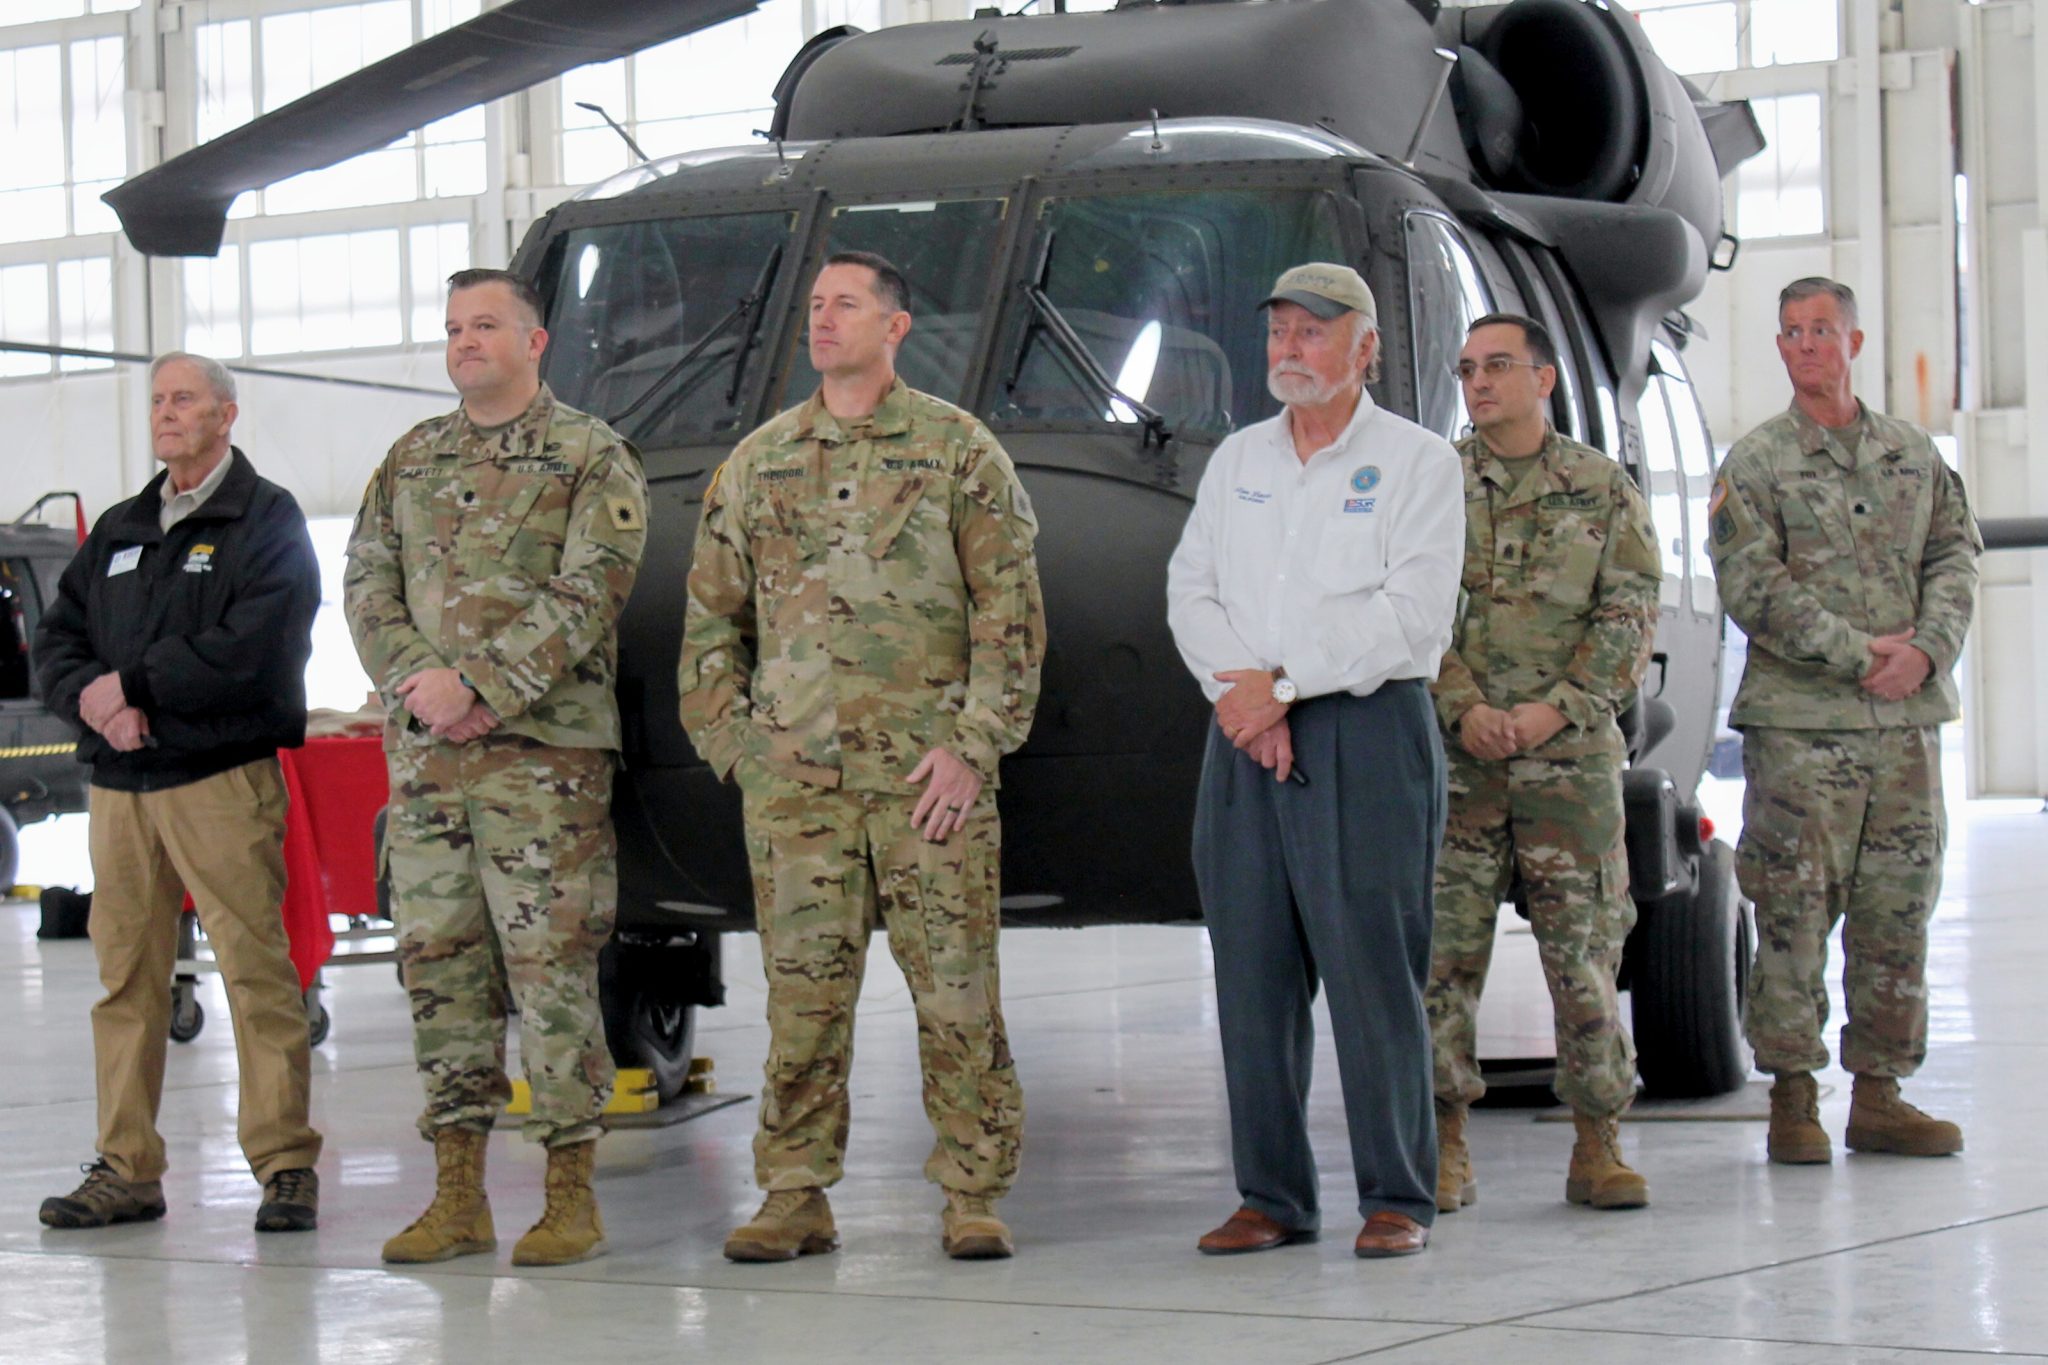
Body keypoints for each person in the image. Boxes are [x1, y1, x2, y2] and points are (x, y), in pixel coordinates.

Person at [679, 250, 1046, 1263]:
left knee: (956, 994)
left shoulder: (956, 451)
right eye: (814, 304)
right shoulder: (758, 462)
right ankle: (794, 1192)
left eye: (845, 304)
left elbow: (1010, 615)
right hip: (796, 789)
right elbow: (710, 622)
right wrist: (739, 752)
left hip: (930, 784)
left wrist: (973, 748)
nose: (823, 318)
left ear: (895, 326)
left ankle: (972, 1190)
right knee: (802, 1000)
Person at [345, 267, 648, 1266]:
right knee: (439, 966)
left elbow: (591, 589)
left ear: (535, 341)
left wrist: (478, 684)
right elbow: (366, 583)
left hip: (541, 762)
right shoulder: (411, 458)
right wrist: (421, 684)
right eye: (452, 329)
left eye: (484, 326)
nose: (464, 342)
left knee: (549, 966)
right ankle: (457, 1196)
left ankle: (569, 1196)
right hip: (428, 760)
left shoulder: (589, 455)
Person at [1165, 263, 1464, 1258]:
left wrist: (1284, 687)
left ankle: (1397, 1196)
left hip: (1365, 730)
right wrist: (1246, 699)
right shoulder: (1237, 460)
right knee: (1251, 974)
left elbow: (1411, 616)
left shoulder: (1418, 463)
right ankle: (1273, 1198)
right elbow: (1191, 591)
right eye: (1280, 330)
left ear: (1364, 348)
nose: (1290, 348)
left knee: (1373, 971)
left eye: (1314, 331)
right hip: (1242, 733)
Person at [35, 352, 324, 1233]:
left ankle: (284, 1164)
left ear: (226, 414)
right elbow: (59, 639)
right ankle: (126, 1167)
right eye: (158, 399)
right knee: (126, 979)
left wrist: (137, 687)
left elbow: (258, 644)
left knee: (255, 971)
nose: (166, 412)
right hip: (121, 787)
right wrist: (97, 700)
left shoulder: (265, 519)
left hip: (219, 778)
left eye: (184, 398)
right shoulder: (121, 527)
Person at [1709, 277, 1980, 1164]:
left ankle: (1880, 1095)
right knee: (1792, 910)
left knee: (1898, 909)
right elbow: (1752, 585)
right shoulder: (1756, 463)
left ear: (1854, 343)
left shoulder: (1912, 454)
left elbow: (1954, 554)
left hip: (1904, 727)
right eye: (1791, 332)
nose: (1805, 346)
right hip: (1802, 731)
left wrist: (1927, 650)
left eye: (1821, 330)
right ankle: (1792, 1095)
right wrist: (1859, 653)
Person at [1424, 314, 1663, 1213]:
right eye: (1467, 370)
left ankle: (1598, 1141)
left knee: (1585, 955)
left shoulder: (1601, 488)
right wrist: (1465, 706)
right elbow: (1408, 608)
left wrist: (1552, 709)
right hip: (1462, 761)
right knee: (1442, 958)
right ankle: (1444, 1140)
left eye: (1497, 366)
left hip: (1569, 763)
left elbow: (1629, 613)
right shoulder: (1433, 485)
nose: (1479, 384)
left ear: (1544, 378)